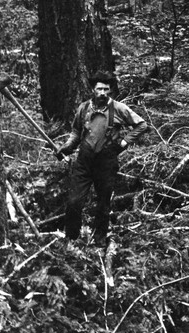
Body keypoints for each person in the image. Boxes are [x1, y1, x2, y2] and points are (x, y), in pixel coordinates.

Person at [58, 71, 150, 247]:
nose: (102, 93)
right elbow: (76, 132)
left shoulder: (118, 108)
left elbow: (142, 125)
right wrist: (67, 147)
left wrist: (124, 142)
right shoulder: (84, 108)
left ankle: (99, 241)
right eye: (99, 89)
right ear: (93, 89)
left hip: (106, 162)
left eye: (106, 89)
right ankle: (71, 240)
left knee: (103, 203)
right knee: (74, 201)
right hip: (84, 161)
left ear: (110, 90)